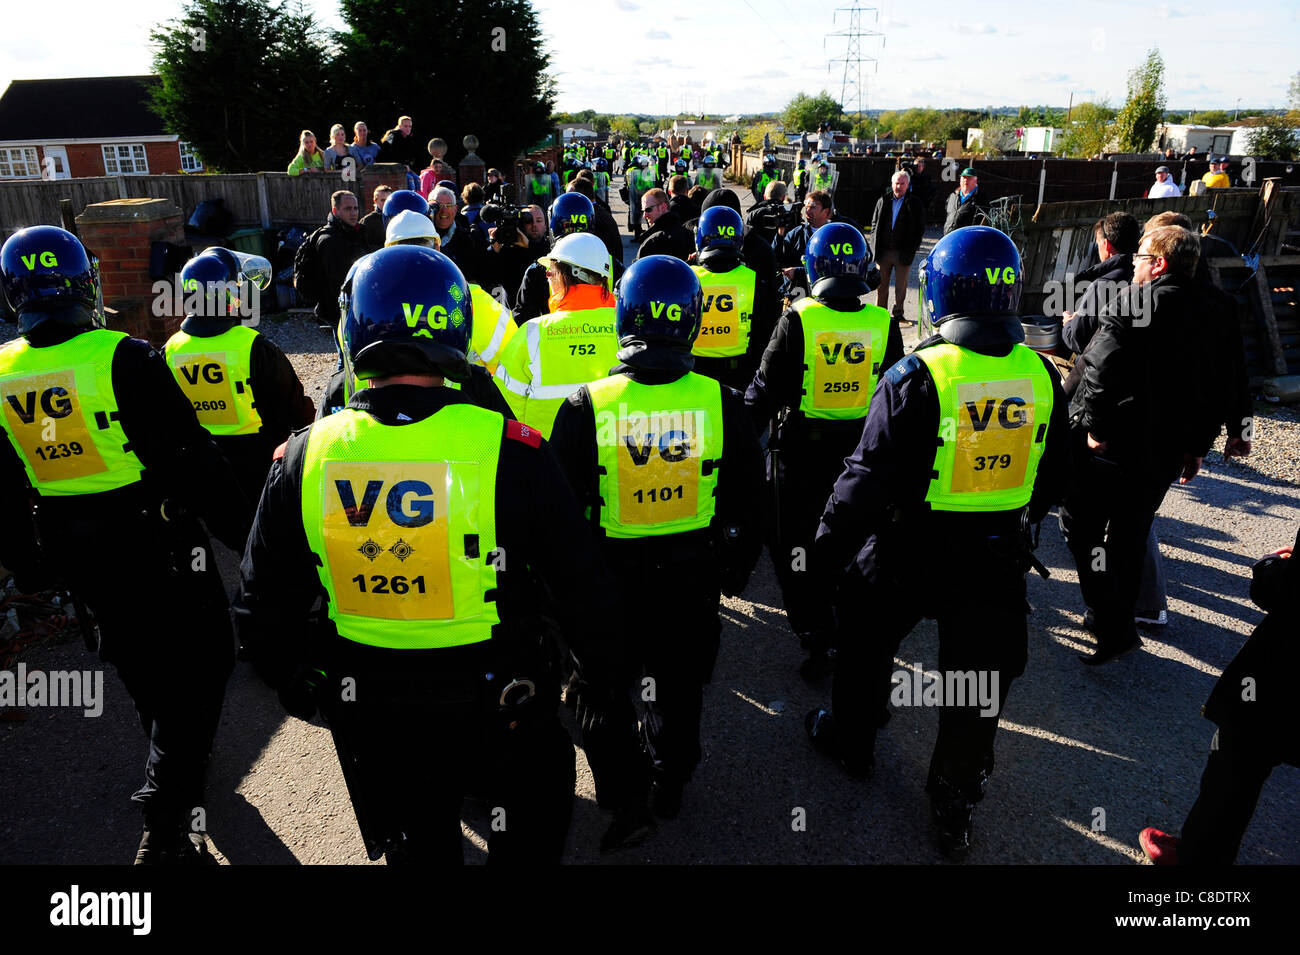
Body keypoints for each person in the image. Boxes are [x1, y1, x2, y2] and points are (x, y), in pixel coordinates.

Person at [235, 245, 622, 864]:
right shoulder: (512, 451)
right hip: (502, 702)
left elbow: (261, 611)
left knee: (419, 848)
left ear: (354, 328)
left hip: (375, 710)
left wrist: (314, 690)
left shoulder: (304, 457)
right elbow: (584, 591)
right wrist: (592, 679)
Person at [806, 226, 1069, 854]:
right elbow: (1056, 474)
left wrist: (823, 553)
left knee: (865, 641)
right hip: (995, 555)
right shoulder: (1042, 374)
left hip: (907, 548)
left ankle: (854, 739)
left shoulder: (916, 376)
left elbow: (863, 480)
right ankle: (954, 800)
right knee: (978, 685)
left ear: (939, 291)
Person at [0, 226, 252, 863]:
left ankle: (175, 763)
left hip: (75, 551)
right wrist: (247, 541)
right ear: (87, 283)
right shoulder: (125, 357)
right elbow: (192, 461)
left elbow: (2, 489)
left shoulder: (2, 372)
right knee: (203, 667)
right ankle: (166, 821)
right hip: (156, 543)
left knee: (141, 665)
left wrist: (29, 566)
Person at [549, 254, 765, 844]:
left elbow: (557, 514)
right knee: (680, 686)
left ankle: (625, 803)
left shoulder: (584, 405)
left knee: (601, 695)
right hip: (690, 580)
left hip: (607, 583)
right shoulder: (723, 401)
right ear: (692, 321)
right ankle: (671, 780)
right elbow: (751, 496)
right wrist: (734, 569)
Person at [745, 223, 901, 683]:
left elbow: (762, 392)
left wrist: (735, 444)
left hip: (802, 459)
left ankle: (815, 633)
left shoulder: (797, 319)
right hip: (861, 461)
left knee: (794, 547)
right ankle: (842, 623)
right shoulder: (883, 323)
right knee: (848, 546)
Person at [1060, 225, 1222, 665]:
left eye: (1140, 258)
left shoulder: (1134, 302)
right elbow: (1217, 388)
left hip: (1116, 446)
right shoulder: (1217, 308)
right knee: (1131, 533)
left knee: (1081, 525)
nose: (1133, 264)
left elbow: (1097, 369)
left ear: (1160, 264)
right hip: (1166, 453)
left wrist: (1094, 428)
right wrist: (1197, 447)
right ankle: (1118, 619)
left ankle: (1112, 622)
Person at [1139, 526, 1299, 865]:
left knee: (1239, 756)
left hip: (1287, 667)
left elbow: (1284, 591)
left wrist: (1270, 564)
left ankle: (1201, 857)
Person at [164, 248, 315, 503]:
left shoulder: (170, 349)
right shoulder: (253, 346)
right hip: (259, 464)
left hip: (203, 464)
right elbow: (295, 408)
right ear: (227, 294)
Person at [493, 232, 619, 437]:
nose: (548, 279)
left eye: (550, 272)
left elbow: (504, 407)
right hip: (613, 455)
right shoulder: (626, 328)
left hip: (546, 458)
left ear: (567, 275)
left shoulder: (532, 333)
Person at [689, 206, 779, 392]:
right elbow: (768, 335)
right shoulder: (754, 281)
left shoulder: (687, 279)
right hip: (740, 379)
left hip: (694, 377)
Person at [515, 191, 601, 323]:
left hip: (554, 342)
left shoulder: (537, 271)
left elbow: (523, 322)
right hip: (603, 341)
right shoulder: (611, 265)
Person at [294, 190, 368, 328]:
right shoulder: (328, 240)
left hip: (354, 305)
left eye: (355, 208)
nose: (353, 213)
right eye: (348, 209)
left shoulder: (356, 233)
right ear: (336, 210)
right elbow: (337, 280)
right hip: (337, 309)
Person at [869, 170, 925, 325]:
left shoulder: (914, 203)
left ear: (907, 185)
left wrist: (913, 247)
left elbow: (919, 228)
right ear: (892, 184)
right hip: (883, 251)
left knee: (901, 286)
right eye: (896, 183)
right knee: (881, 285)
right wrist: (874, 246)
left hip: (903, 252)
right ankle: (880, 313)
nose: (899, 186)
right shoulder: (884, 200)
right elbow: (874, 223)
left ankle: (898, 314)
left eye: (902, 184)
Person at [430, 186, 485, 285]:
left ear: (455, 209)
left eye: (449, 205)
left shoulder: (469, 237)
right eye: (439, 206)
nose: (444, 210)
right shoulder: (421, 237)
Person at [637, 188, 694, 262]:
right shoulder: (689, 235)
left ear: (663, 207)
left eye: (648, 210)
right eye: (643, 211)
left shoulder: (652, 242)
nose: (644, 215)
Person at [943, 168, 985, 234]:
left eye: (969, 178)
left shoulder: (981, 199)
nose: (966, 180)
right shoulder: (953, 196)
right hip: (949, 238)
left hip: (968, 240)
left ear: (975, 180)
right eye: (964, 177)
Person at [626, 155, 656, 239]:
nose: (644, 165)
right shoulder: (635, 172)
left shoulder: (649, 172)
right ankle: (637, 235)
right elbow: (632, 185)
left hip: (647, 197)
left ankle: (651, 234)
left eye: (645, 164)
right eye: (642, 164)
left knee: (649, 216)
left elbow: (652, 184)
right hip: (637, 197)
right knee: (636, 217)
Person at [358, 184, 394, 252]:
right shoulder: (367, 221)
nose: (386, 203)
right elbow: (363, 246)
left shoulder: (397, 218)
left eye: (388, 200)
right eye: (383, 200)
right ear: (375, 201)